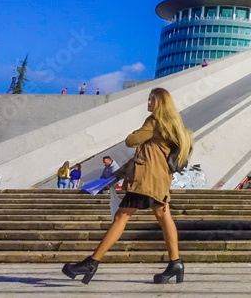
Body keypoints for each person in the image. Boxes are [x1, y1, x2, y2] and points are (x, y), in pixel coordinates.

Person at [62, 87, 193, 285]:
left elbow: (131, 141)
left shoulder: (155, 122)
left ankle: (92, 262)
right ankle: (176, 263)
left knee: (122, 216)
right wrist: (119, 174)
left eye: (151, 100)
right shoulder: (172, 126)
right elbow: (150, 154)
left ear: (160, 103)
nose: (148, 103)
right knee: (163, 217)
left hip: (147, 181)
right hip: (158, 180)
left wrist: (138, 132)